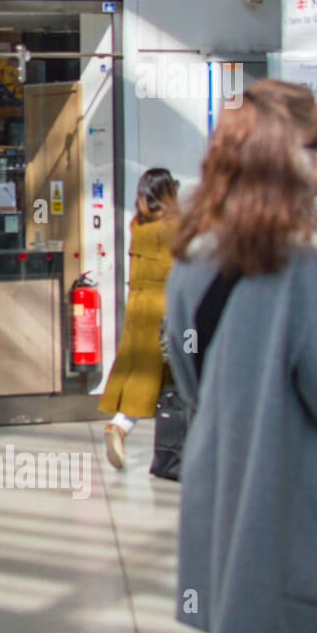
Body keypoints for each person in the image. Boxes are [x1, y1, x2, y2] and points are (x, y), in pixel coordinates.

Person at [166, 79, 317, 633]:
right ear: (286, 154)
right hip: (292, 513)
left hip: (221, 506)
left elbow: (193, 380)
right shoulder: (316, 260)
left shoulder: (195, 254)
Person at [99, 168, 180, 469]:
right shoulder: (172, 226)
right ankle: (123, 427)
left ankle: (121, 425)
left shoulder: (138, 223)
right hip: (165, 306)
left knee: (140, 372)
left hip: (137, 306)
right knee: (177, 373)